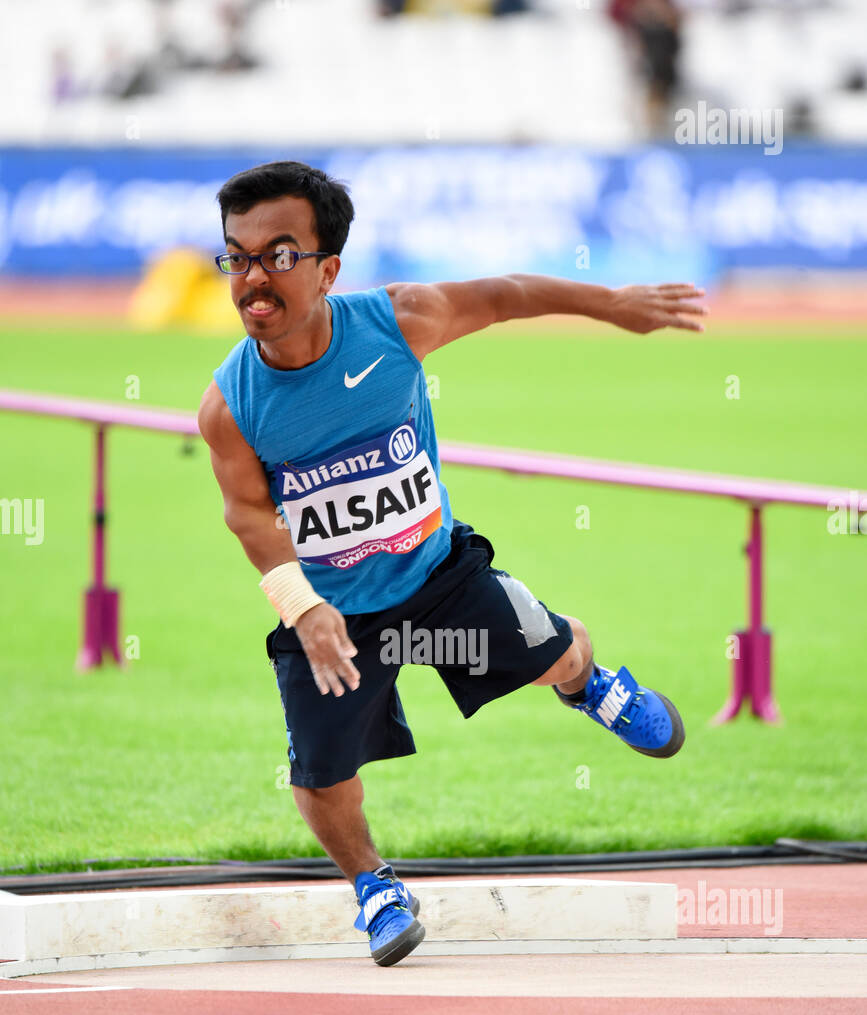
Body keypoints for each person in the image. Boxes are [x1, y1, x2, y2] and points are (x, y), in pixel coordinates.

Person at [198, 160, 705, 967]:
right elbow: (248, 513)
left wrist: (613, 305)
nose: (254, 278)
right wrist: (303, 606)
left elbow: (504, 295)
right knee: (318, 774)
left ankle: (594, 687)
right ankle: (375, 886)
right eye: (238, 256)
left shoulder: (398, 322)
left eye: (279, 254)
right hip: (335, 619)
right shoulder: (230, 404)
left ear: (328, 268)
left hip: (439, 581)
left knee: (558, 653)